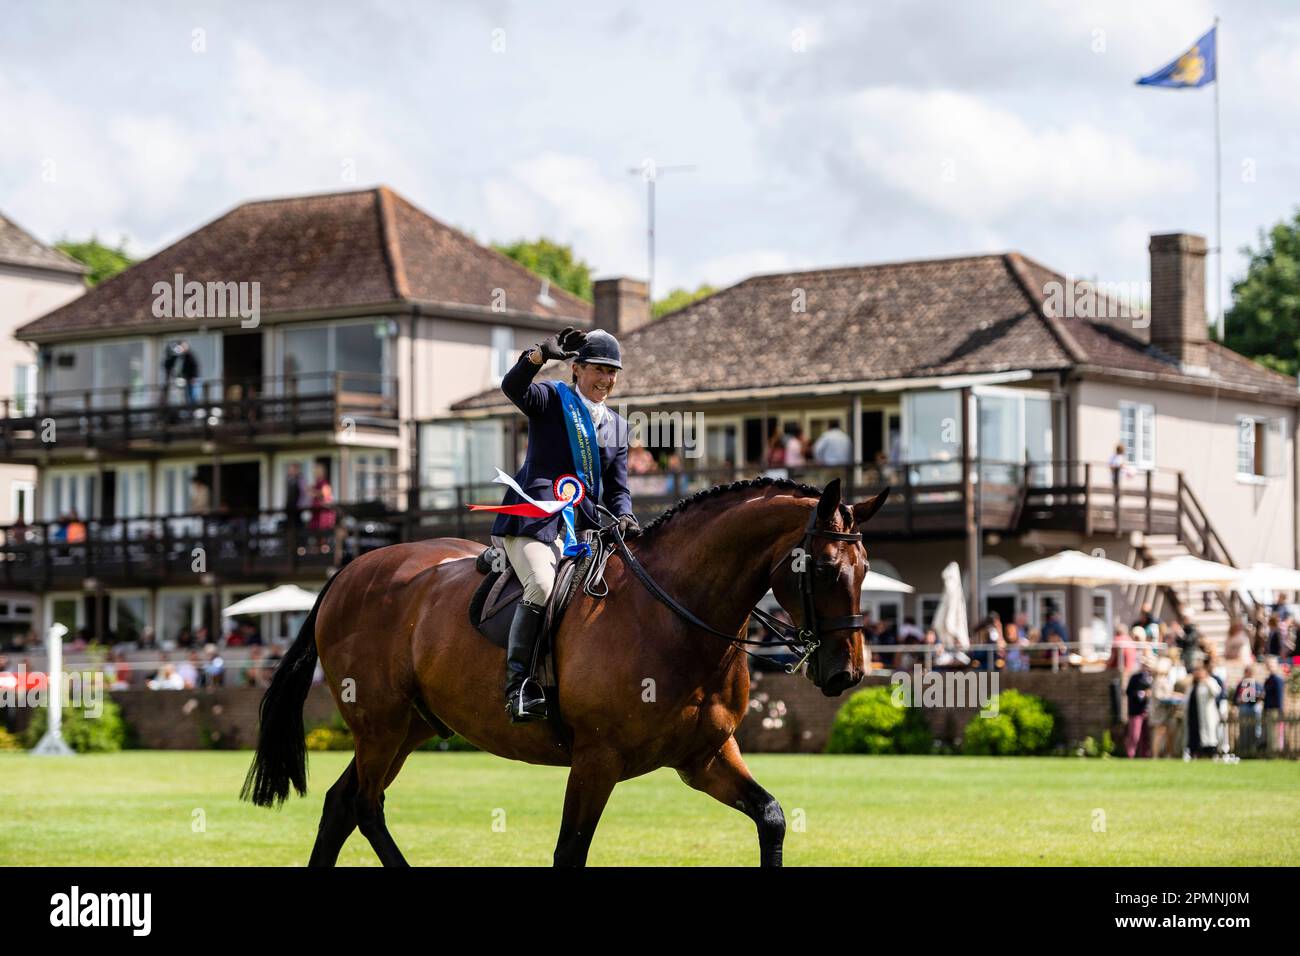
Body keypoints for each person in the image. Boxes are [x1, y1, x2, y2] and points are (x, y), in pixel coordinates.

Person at [489, 326, 637, 722]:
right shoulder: (552, 399)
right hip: (535, 518)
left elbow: (618, 489)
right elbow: (513, 386)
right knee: (542, 582)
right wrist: (538, 355)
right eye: (599, 370)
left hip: (584, 528)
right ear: (577, 368)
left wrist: (625, 514)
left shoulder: (619, 427)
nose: (606, 380)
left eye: (612, 373)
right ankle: (518, 683)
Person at [1124, 659, 1154, 757]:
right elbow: (1129, 692)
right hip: (1136, 711)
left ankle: (1144, 756)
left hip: (1148, 711)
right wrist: (1142, 694)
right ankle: (1130, 755)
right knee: (1134, 735)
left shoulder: (1152, 678)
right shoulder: (1135, 677)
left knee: (1146, 736)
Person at [163, 339, 202, 406]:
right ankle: (189, 409)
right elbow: (170, 365)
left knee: (193, 397)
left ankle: (194, 409)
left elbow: (195, 367)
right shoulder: (179, 356)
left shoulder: (190, 355)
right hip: (186, 379)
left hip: (192, 379)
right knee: (187, 396)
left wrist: (194, 378)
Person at [308, 463, 336, 532]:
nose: (315, 474)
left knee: (323, 534)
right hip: (316, 513)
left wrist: (314, 492)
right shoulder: (317, 483)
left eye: (316, 472)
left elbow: (326, 495)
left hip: (323, 514)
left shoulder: (324, 483)